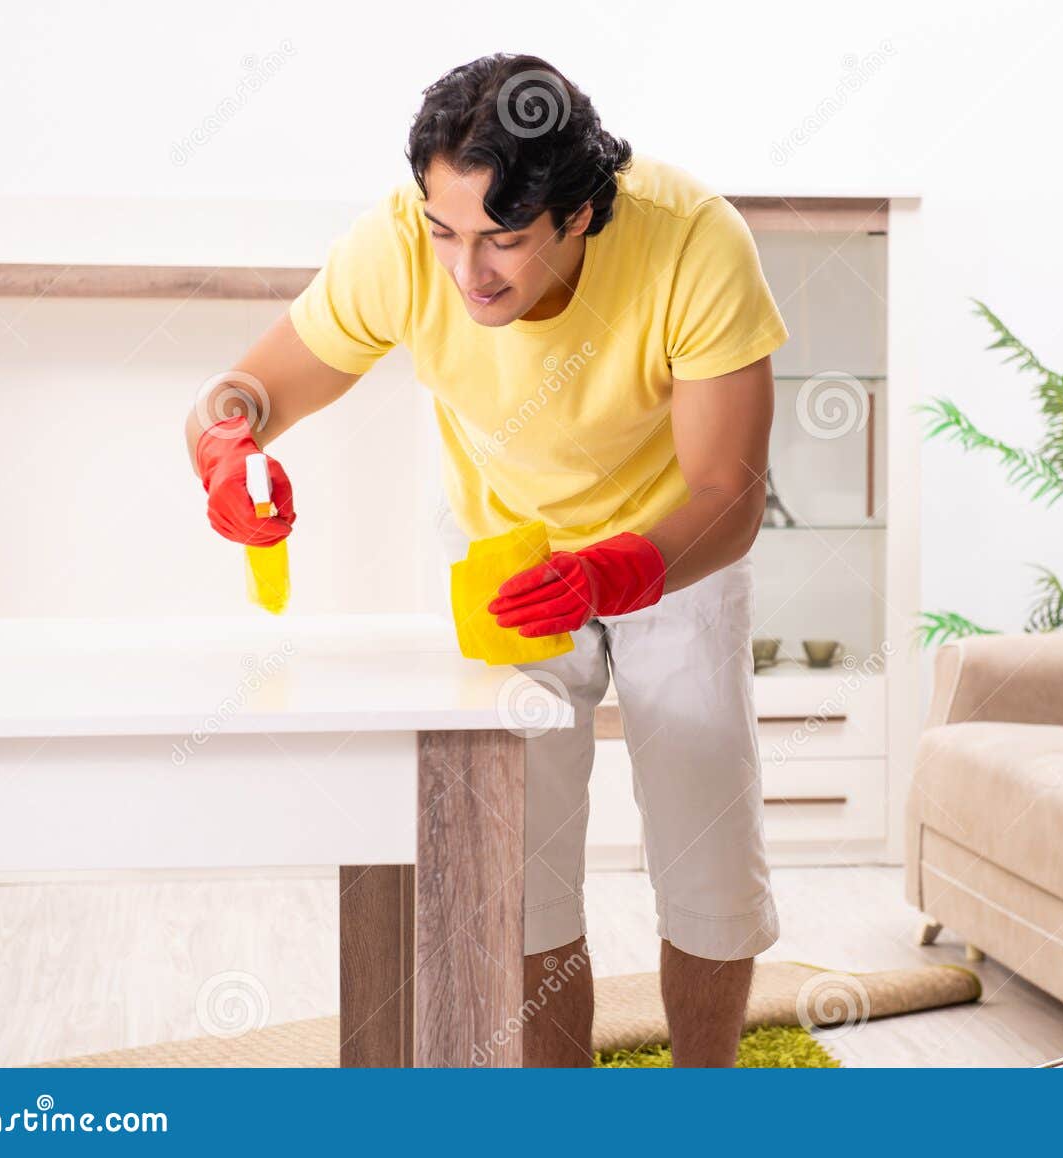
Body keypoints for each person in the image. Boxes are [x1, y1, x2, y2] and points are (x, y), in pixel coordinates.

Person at [183, 52, 786, 1067]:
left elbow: (728, 492)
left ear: (580, 213)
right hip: (508, 559)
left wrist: (610, 573)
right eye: (447, 231)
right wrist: (224, 452)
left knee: (706, 857)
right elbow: (246, 390)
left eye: (504, 238)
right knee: (520, 866)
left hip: (670, 552)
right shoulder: (398, 248)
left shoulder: (693, 240)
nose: (468, 274)